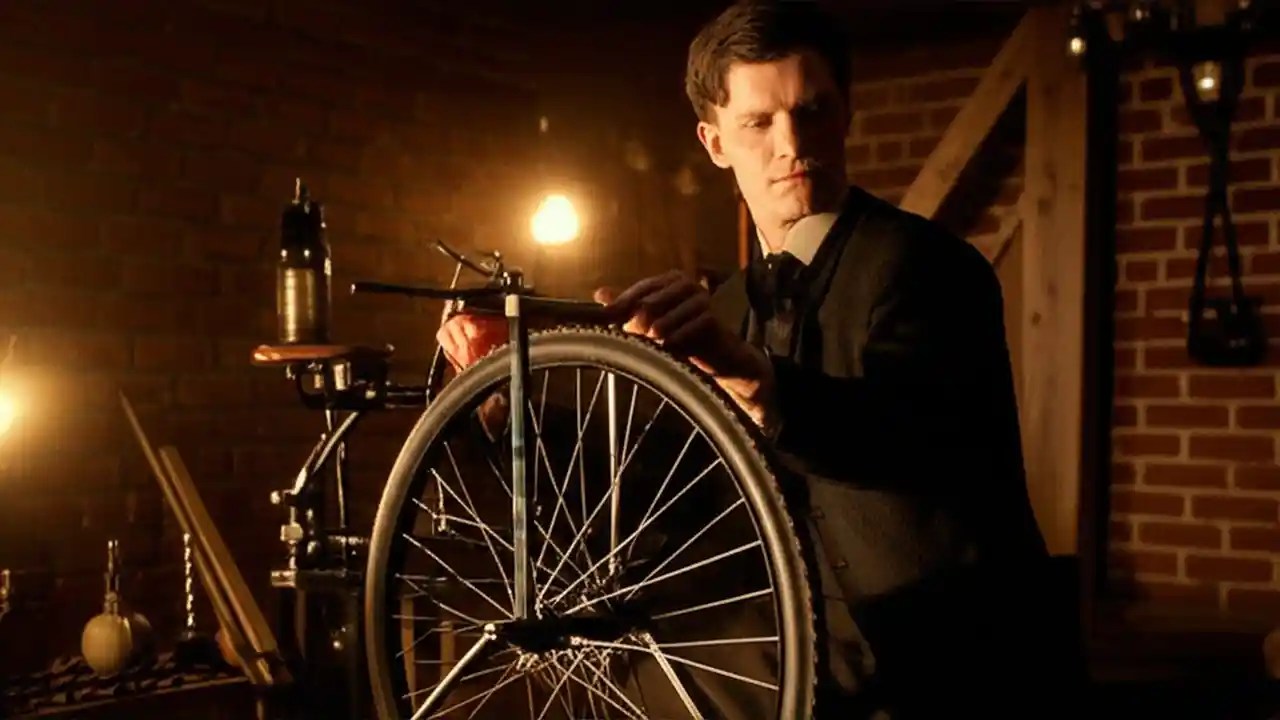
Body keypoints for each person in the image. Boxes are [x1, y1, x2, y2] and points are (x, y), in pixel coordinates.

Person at [438, 1, 1074, 716]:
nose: (792, 143)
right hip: (808, 637)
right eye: (759, 123)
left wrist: (747, 373)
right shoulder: (735, 302)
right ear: (714, 142)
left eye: (814, 111)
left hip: (945, 648)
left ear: (846, 114)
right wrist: (506, 407)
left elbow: (906, 432)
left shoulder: (928, 267)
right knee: (612, 656)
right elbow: (663, 487)